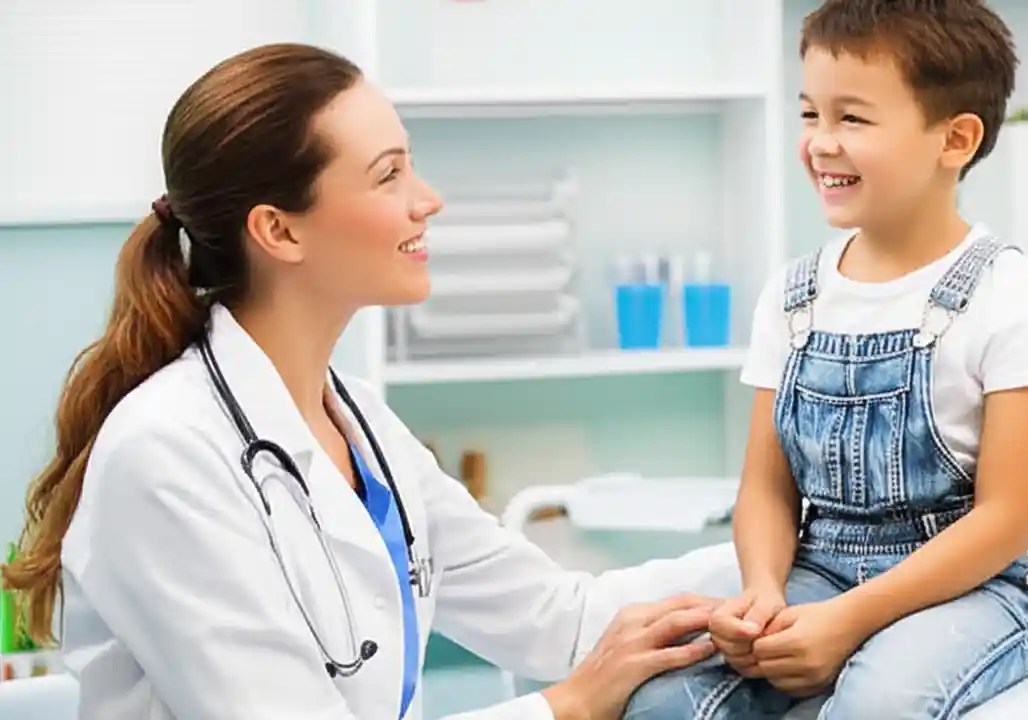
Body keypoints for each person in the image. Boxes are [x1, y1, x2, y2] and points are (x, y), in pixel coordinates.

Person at [0, 42, 721, 720]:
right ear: (280, 231)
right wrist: (566, 706)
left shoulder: (360, 424)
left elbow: (560, 617)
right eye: (389, 175)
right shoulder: (165, 455)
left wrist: (794, 546)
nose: (427, 199)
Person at [623, 1, 1028, 718]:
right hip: (822, 569)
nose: (821, 143)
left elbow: (1004, 520)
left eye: (854, 119)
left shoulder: (1011, 294)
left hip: (976, 586)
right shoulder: (794, 295)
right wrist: (763, 596)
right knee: (665, 702)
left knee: (873, 705)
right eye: (810, 115)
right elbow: (766, 490)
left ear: (955, 139)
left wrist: (849, 623)